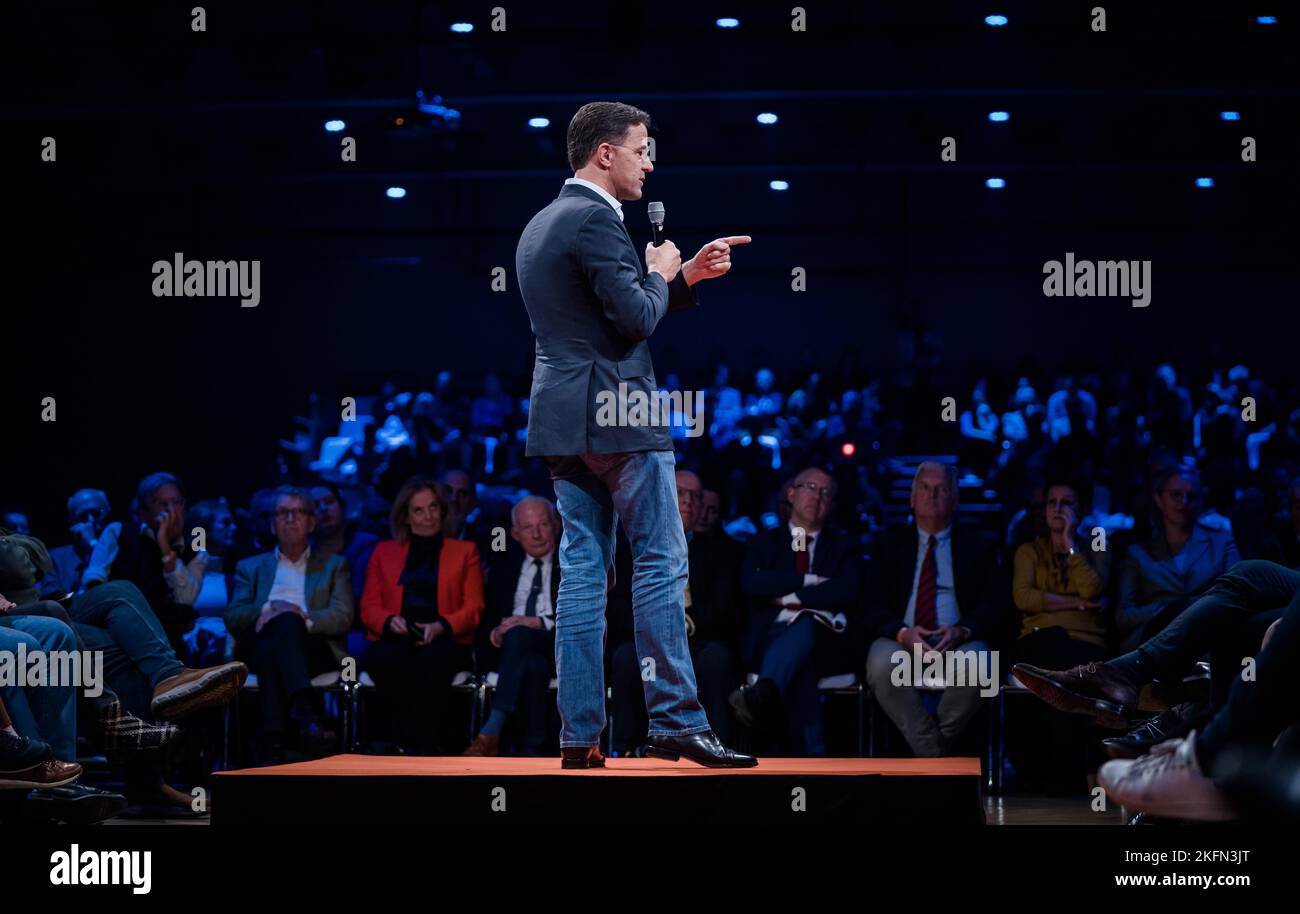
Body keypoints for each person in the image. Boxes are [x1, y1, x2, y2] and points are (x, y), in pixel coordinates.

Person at [515, 100, 753, 769]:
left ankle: (579, 736)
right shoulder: (597, 219)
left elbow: (603, 316)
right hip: (617, 411)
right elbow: (637, 319)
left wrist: (683, 281)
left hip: (562, 418)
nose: (650, 162)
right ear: (604, 153)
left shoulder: (541, 224)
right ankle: (678, 720)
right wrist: (661, 268)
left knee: (584, 572)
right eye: (642, 149)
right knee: (660, 558)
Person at [863, 462, 1002, 757]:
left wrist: (962, 630)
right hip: (900, 640)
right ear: (912, 498)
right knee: (880, 665)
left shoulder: (980, 547)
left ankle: (927, 752)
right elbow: (870, 604)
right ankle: (937, 756)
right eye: (925, 488)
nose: (932, 495)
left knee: (981, 665)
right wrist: (902, 633)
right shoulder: (887, 545)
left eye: (941, 489)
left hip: (958, 641)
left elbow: (995, 604)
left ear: (955, 499)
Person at [609, 470, 741, 755]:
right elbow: (617, 607)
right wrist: (656, 628)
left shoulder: (722, 551)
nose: (690, 502)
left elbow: (724, 609)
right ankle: (629, 749)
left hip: (698, 640)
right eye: (681, 493)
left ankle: (715, 747)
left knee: (717, 659)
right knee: (626, 657)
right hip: (646, 639)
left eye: (695, 496)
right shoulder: (630, 546)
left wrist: (682, 626)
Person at [735, 468, 861, 756]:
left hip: (828, 640)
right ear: (791, 493)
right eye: (811, 487)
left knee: (806, 622)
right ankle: (812, 763)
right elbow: (753, 582)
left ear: (832, 504)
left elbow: (847, 590)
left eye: (826, 492)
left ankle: (762, 696)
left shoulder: (844, 546)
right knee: (802, 667)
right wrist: (810, 581)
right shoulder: (762, 542)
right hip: (771, 637)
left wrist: (788, 596)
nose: (817, 496)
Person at [226, 487, 355, 759]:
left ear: (311, 522)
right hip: (259, 644)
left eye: (299, 512)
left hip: (315, 648)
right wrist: (268, 608)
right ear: (272, 523)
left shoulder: (334, 565)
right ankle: (306, 713)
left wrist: (299, 615)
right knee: (274, 638)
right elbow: (234, 617)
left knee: (280, 633)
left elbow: (342, 617)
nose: (290, 519)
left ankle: (273, 738)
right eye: (283, 513)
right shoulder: (250, 567)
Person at [360, 476, 483, 754]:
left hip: (445, 638)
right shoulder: (383, 552)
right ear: (405, 516)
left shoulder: (466, 551)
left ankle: (425, 749)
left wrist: (440, 626)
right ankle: (394, 745)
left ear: (442, 510)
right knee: (390, 659)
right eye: (418, 510)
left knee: (432, 661)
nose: (428, 516)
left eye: (433, 507)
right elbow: (369, 607)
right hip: (394, 635)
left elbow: (473, 608)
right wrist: (390, 621)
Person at [465, 496, 562, 756]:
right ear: (515, 534)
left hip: (559, 647)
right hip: (513, 653)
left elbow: (584, 617)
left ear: (556, 525)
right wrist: (496, 633)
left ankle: (493, 729)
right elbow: (486, 621)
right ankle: (533, 748)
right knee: (532, 665)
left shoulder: (572, 565)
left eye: (543, 525)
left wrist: (538, 622)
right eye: (529, 528)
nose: (538, 534)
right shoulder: (503, 567)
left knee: (520, 633)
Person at [1115, 463, 1240, 652]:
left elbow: (1238, 594)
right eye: (1176, 495)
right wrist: (1164, 610)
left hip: (1206, 634)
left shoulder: (1222, 543)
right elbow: (1123, 616)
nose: (1184, 502)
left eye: (1192, 496)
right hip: (1153, 639)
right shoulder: (1138, 553)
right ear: (1159, 499)